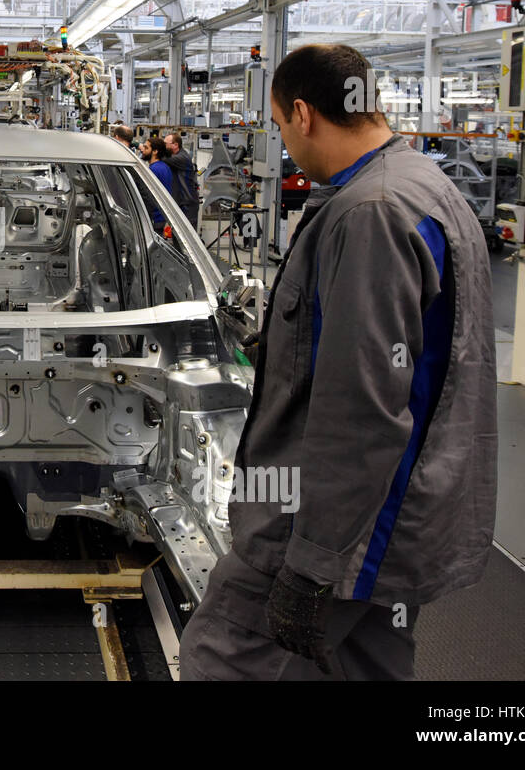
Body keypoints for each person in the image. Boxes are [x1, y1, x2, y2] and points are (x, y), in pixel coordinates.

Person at [179, 43, 496, 681]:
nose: (282, 145)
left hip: (337, 530)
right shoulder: (424, 186)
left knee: (222, 656)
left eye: (276, 126)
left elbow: (361, 411)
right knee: (367, 664)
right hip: (401, 519)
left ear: (302, 112)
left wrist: (313, 565)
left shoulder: (370, 213)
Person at [163, 132, 201, 228]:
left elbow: (163, 159)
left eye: (165, 144)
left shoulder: (182, 158)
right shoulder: (176, 156)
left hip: (187, 204)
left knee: (188, 236)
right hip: (181, 203)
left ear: (175, 145)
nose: (164, 147)